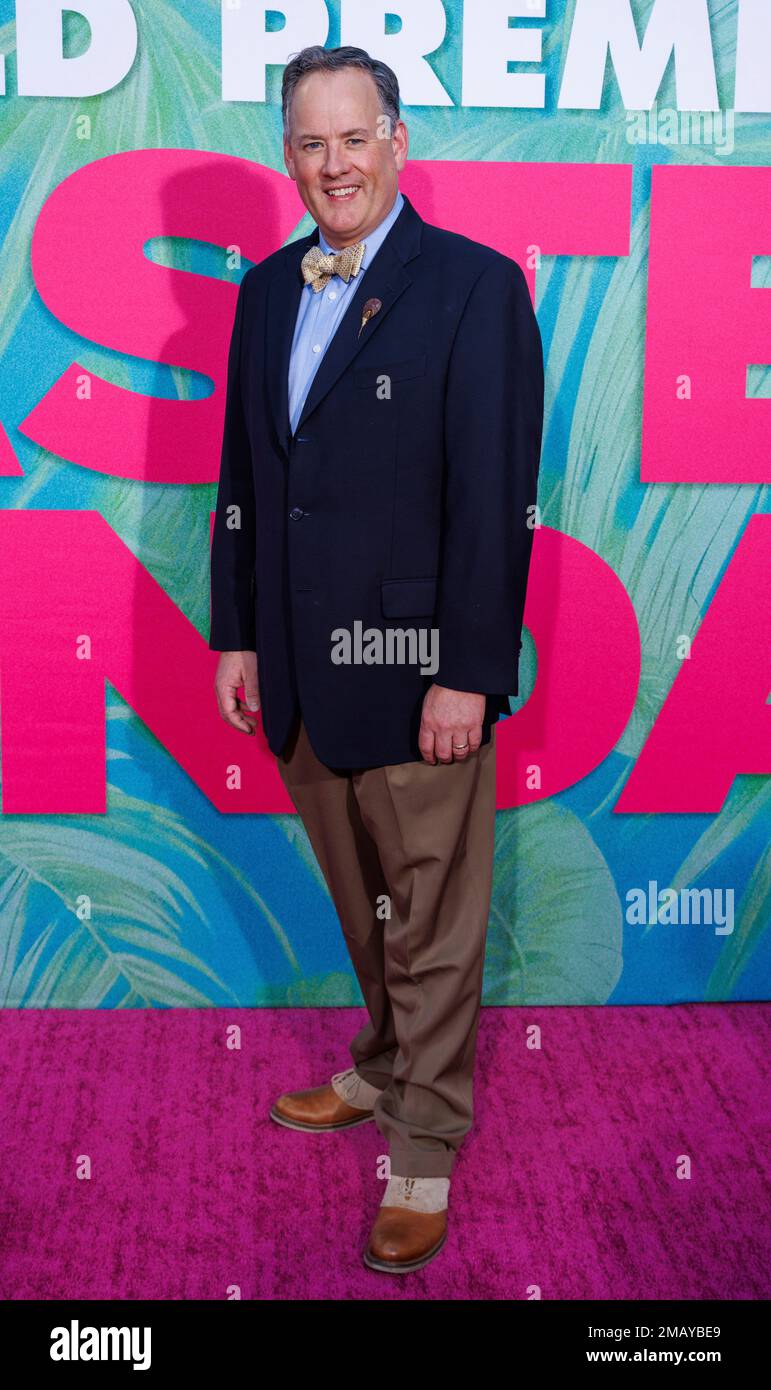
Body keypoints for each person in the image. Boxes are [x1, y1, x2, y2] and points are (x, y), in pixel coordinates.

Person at [210, 43, 544, 1274]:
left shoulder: (472, 288)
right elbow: (247, 480)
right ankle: (386, 1060)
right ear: (287, 154)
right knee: (370, 907)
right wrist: (236, 631)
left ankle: (424, 1145)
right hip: (298, 668)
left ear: (398, 141)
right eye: (310, 142)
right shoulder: (261, 292)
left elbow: (494, 493)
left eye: (356, 137)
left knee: (436, 921)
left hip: (416, 670)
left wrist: (468, 667)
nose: (334, 163)